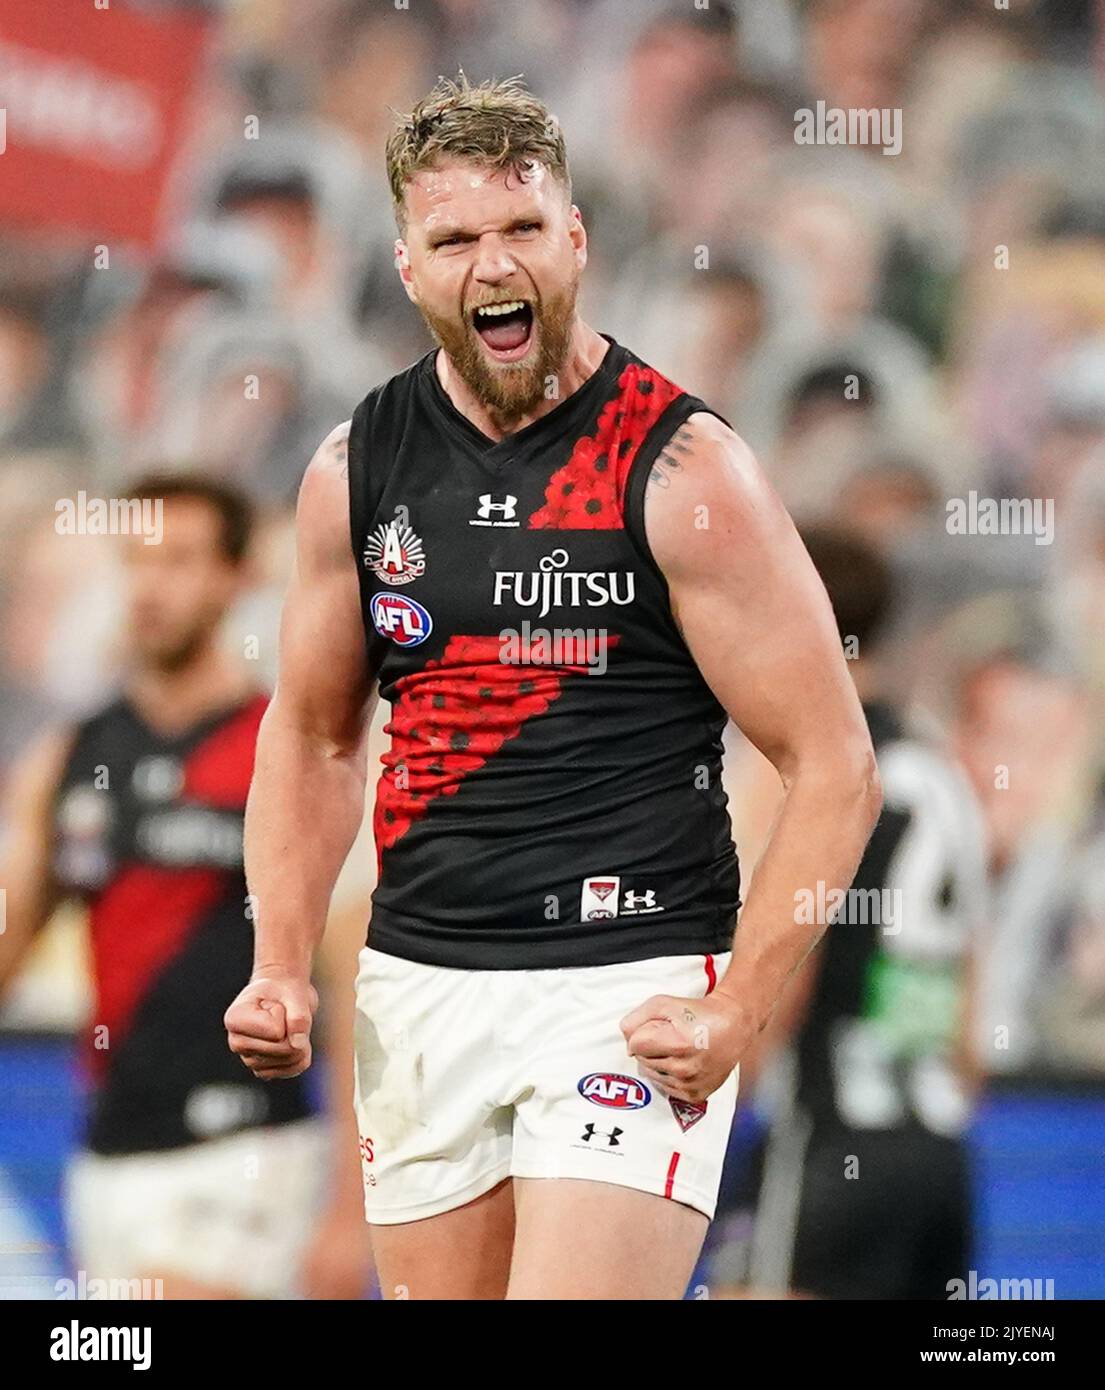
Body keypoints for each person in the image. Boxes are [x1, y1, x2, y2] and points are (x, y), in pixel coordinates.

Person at [225, 74, 882, 1301]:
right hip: (418, 988)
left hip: (624, 984)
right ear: (409, 269)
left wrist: (738, 1007)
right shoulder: (353, 469)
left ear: (574, 242)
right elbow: (313, 737)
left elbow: (834, 762)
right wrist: (276, 963)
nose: (493, 263)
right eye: (454, 238)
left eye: (521, 229)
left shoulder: (686, 468)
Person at [0, 476, 371, 1299]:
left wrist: (353, 1209)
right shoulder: (70, 757)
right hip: (108, 1153)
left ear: (237, 578)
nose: (152, 586)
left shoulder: (288, 755)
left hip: (244, 1154)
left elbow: (354, 991)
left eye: (180, 561)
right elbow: (12, 936)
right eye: (137, 559)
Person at [710, 527, 987, 1299]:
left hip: (830, 1143)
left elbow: (783, 969)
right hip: (939, 1156)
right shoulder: (943, 773)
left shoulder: (812, 768)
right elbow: (972, 1022)